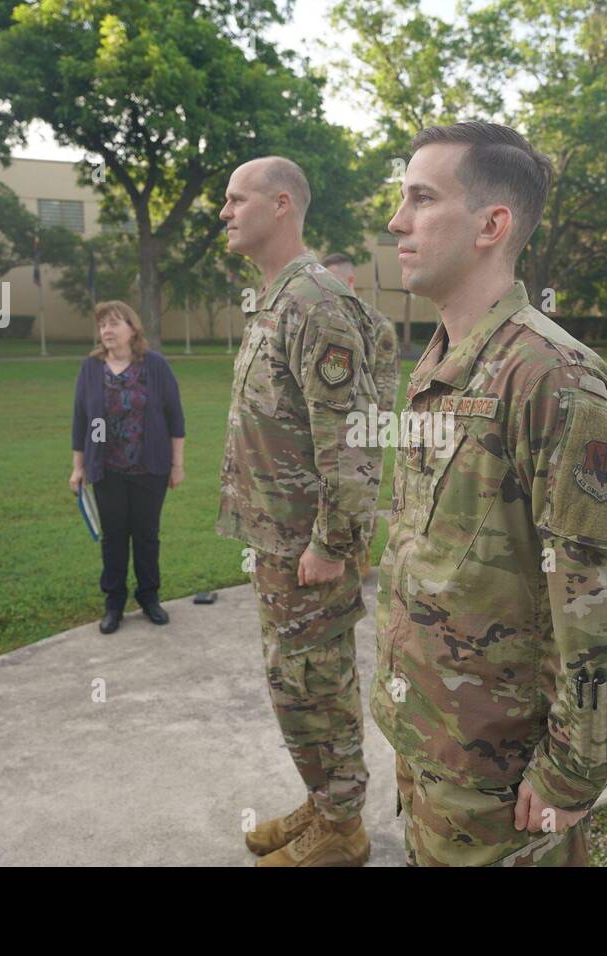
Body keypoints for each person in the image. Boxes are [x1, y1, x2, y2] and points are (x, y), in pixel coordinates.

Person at [371, 122, 607, 866]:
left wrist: (573, 770)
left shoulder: (553, 378)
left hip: (503, 777)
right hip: (436, 739)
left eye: (421, 199)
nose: (396, 222)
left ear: (491, 226)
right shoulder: (445, 361)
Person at [215, 156, 383, 867]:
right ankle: (323, 802)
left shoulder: (315, 301)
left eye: (236, 199)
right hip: (277, 540)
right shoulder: (277, 298)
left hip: (308, 547)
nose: (224, 212)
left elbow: (353, 438)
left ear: (281, 204)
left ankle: (343, 827)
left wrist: (332, 544)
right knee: (294, 685)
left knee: (317, 683)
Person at [70, 300, 186, 635]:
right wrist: (79, 467)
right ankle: (114, 603)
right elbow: (82, 420)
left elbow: (175, 417)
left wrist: (177, 465)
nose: (106, 330)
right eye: (102, 324)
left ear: (132, 329)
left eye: (114, 323)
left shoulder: (155, 365)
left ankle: (149, 597)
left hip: (150, 467)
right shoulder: (91, 368)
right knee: (114, 537)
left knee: (147, 535)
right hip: (106, 468)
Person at [321, 252, 401, 579]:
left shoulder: (377, 325)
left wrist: (369, 435)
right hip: (325, 432)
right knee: (326, 500)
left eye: (334, 282)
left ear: (351, 281)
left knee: (361, 505)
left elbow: (386, 385)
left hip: (363, 431)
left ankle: (358, 566)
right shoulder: (321, 323)